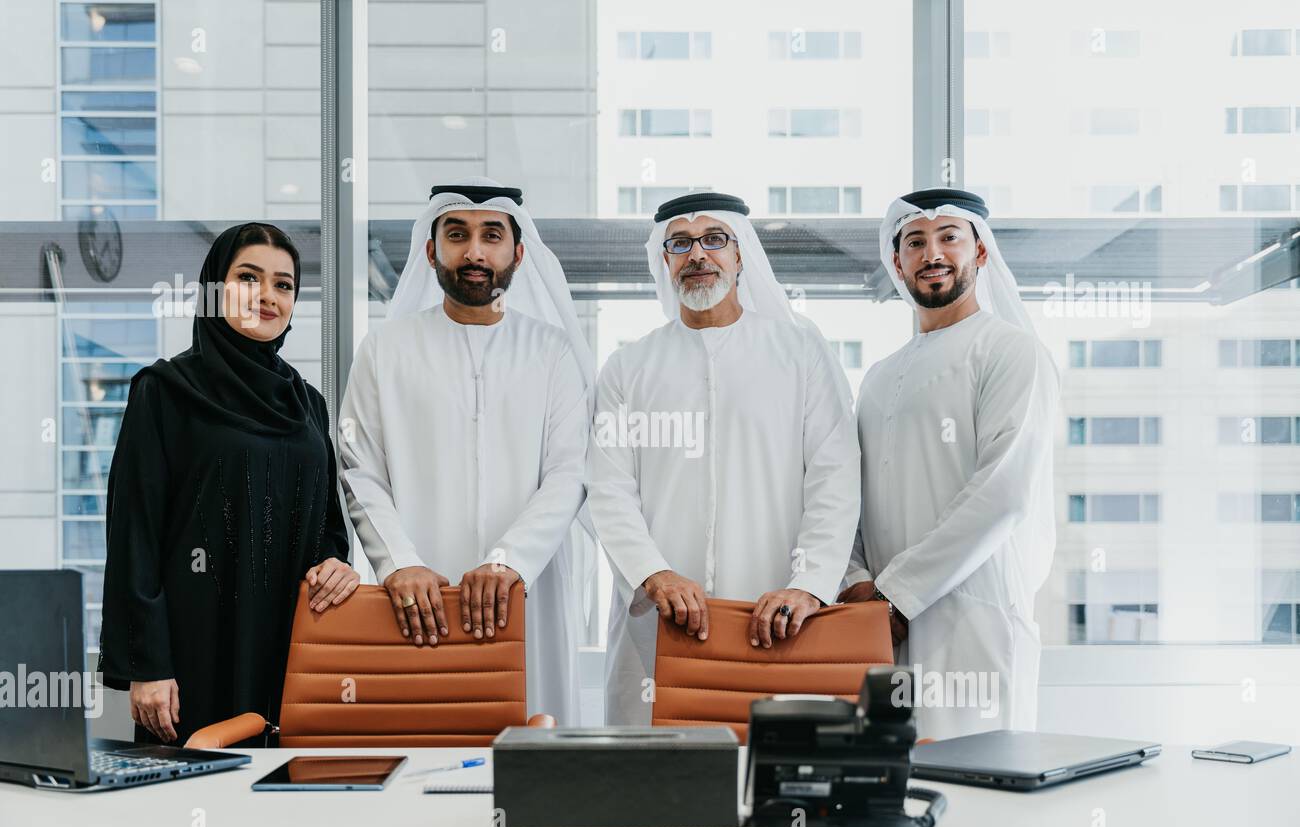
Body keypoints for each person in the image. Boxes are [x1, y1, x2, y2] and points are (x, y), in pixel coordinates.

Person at [587, 191, 860, 724]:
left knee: (768, 784)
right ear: (663, 261)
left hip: (778, 617)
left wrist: (809, 584)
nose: (697, 255)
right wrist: (654, 572)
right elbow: (608, 489)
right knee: (656, 790)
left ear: (740, 256)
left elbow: (834, 476)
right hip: (658, 620)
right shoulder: (627, 366)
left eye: (715, 240)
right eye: (680, 244)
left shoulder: (800, 352)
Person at [339, 178, 592, 724]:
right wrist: (401, 564)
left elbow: (570, 473)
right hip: (417, 596)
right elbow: (360, 470)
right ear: (431, 250)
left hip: (529, 588)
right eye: (457, 235)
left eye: (491, 236)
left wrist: (509, 561)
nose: (474, 252)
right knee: (420, 747)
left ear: (518, 253)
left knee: (534, 752)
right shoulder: (385, 349)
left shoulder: (552, 352)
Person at [99, 223, 358, 745]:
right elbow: (134, 536)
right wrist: (147, 665)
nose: (268, 296)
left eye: (283, 285)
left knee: (290, 812)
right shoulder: (165, 391)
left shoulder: (307, 403)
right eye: (248, 278)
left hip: (294, 654)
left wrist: (338, 563)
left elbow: (328, 524)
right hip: (194, 654)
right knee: (187, 811)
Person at [840, 188, 1059, 739]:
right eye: (915, 242)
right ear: (897, 263)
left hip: (973, 616)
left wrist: (897, 596)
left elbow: (1003, 492)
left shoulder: (1010, 350)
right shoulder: (878, 376)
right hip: (879, 626)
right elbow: (850, 495)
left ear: (980, 253)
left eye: (948, 238)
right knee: (896, 789)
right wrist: (859, 583)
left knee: (979, 791)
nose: (931, 253)